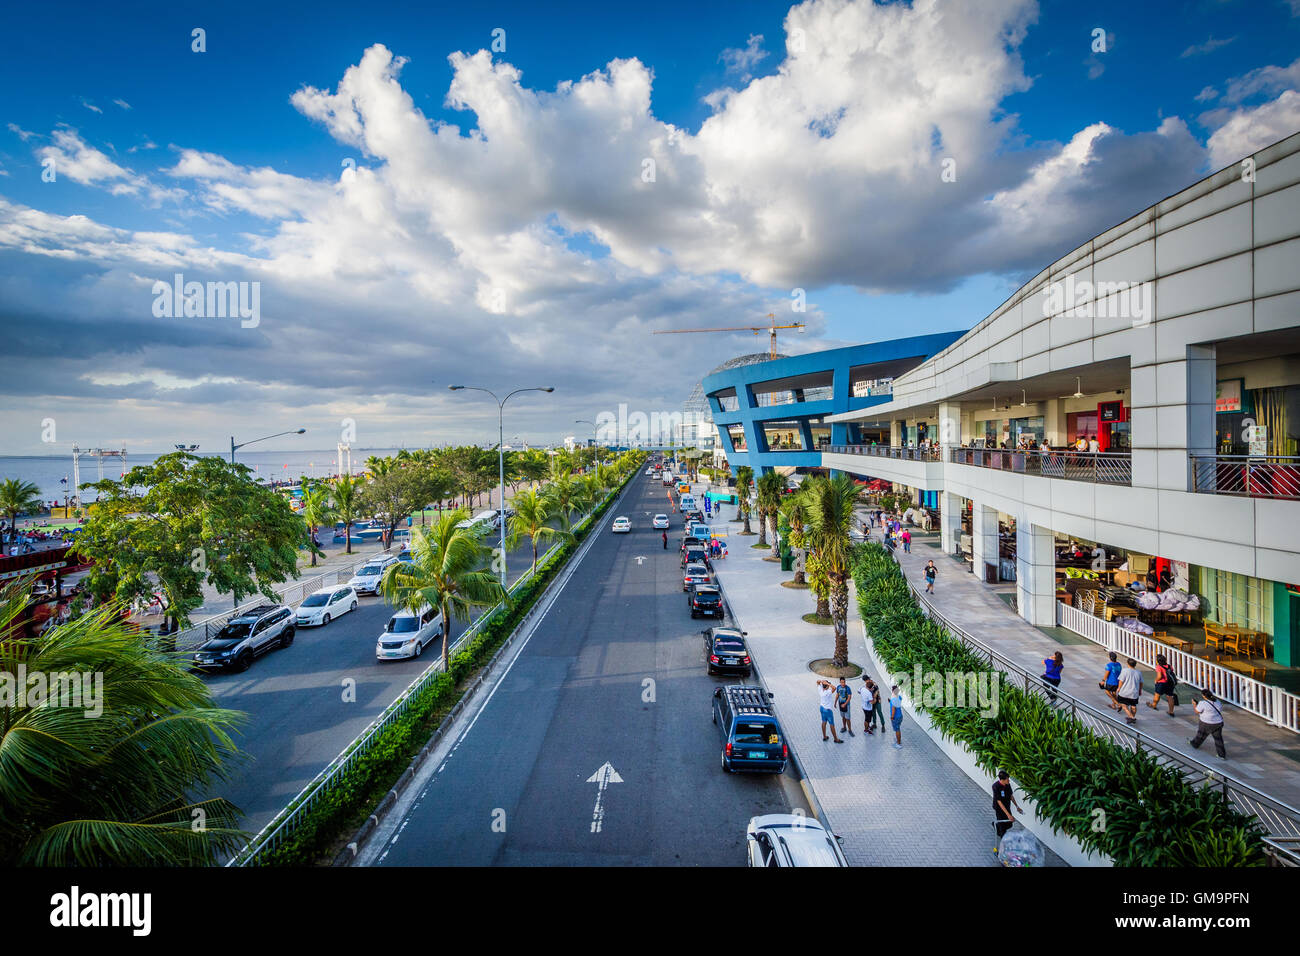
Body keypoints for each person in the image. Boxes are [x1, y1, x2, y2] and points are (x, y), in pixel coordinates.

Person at [992, 769, 1023, 855]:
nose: (1009, 780)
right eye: (1007, 779)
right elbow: (999, 802)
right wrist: (1008, 815)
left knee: (1009, 824)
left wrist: (1017, 806)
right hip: (999, 808)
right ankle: (1003, 850)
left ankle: (996, 826)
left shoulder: (1007, 785)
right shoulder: (995, 786)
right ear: (1002, 779)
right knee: (1003, 829)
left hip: (1006, 806)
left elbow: (1010, 796)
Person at [1189, 689, 1227, 758]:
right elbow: (1220, 709)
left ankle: (1195, 744)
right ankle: (1221, 755)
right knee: (1218, 739)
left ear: (1204, 696)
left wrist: (1194, 705)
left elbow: (1197, 711)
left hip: (1206, 722)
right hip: (1218, 723)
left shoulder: (1202, 703)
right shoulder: (1217, 702)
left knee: (1201, 734)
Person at [1116, 658, 1142, 724]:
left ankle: (1132, 717)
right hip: (1134, 693)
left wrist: (1119, 688)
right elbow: (1141, 683)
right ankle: (1132, 717)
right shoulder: (1139, 673)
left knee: (1124, 706)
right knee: (1133, 705)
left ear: (1127, 664)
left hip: (1124, 692)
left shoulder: (1125, 671)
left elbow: (1121, 680)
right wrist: (1140, 690)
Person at [889, 684, 904, 749]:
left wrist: (892, 717)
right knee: (898, 728)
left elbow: (893, 709)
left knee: (897, 730)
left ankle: (898, 743)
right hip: (900, 716)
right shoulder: (899, 697)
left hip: (896, 717)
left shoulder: (893, 699)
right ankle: (898, 739)